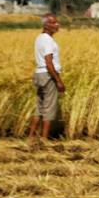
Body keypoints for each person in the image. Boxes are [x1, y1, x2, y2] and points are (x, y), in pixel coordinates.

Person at [28, 14, 64, 143]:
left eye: (57, 22)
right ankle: (44, 139)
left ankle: (31, 138)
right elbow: (49, 62)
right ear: (46, 25)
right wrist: (58, 81)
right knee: (49, 109)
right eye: (54, 23)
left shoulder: (39, 38)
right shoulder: (48, 40)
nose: (57, 25)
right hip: (48, 76)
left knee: (39, 108)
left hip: (38, 74)